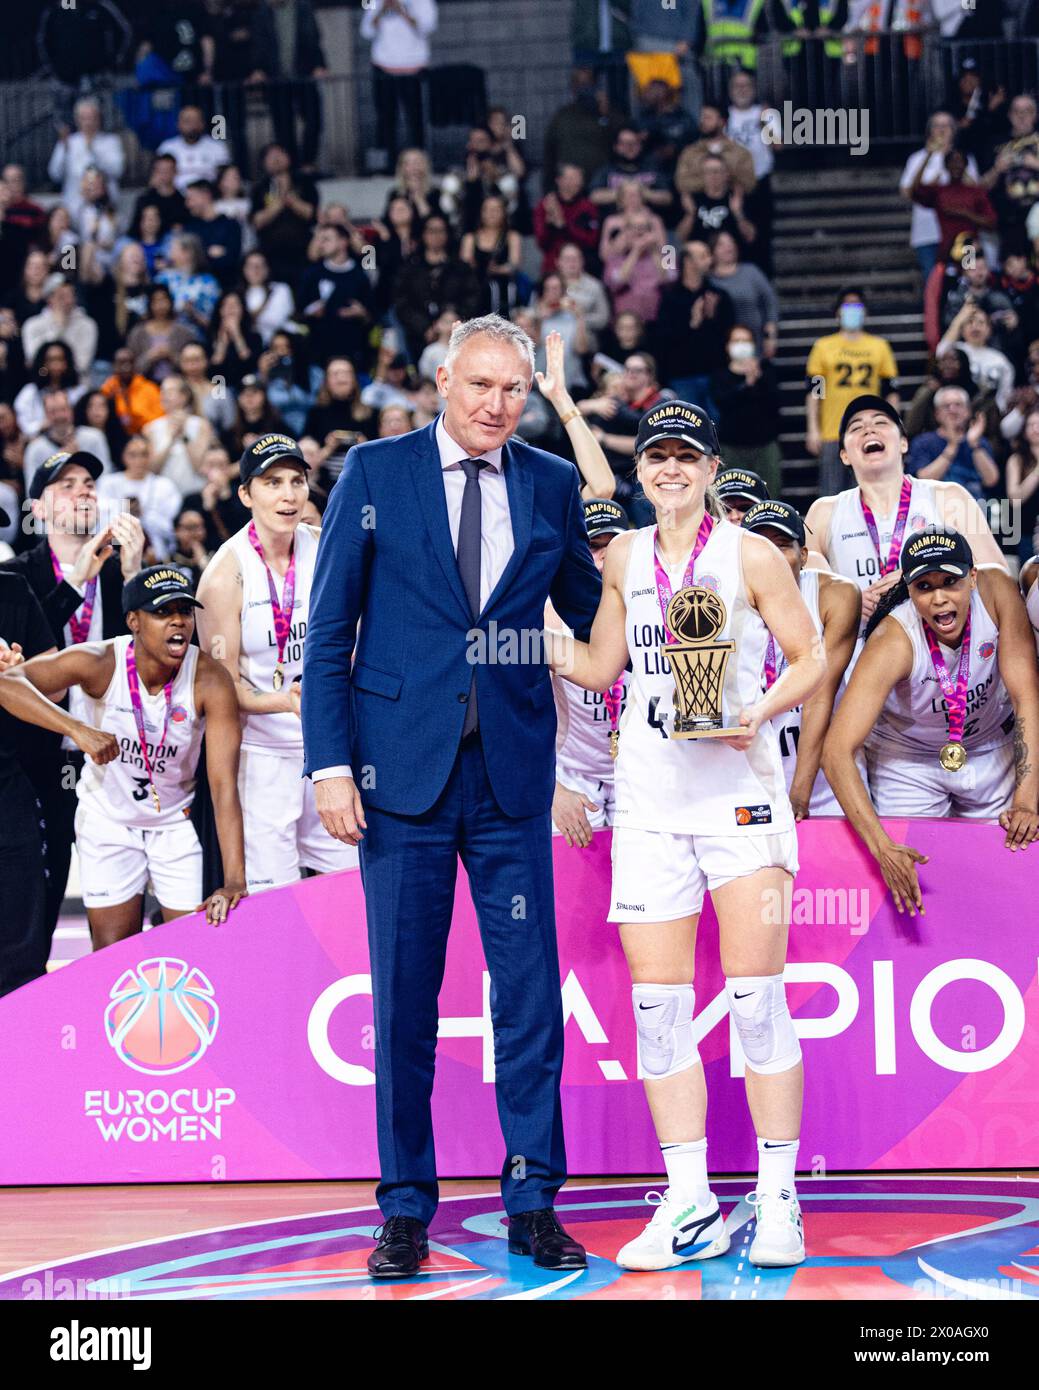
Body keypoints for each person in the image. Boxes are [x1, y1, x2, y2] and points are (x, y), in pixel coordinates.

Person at [302, 313, 602, 1278]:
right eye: (479, 385)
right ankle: (402, 1210)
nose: (495, 405)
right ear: (441, 380)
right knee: (402, 1003)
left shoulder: (551, 484)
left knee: (528, 1001)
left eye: (513, 389)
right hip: (398, 780)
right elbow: (328, 631)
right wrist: (330, 764)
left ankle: (532, 1200)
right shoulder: (375, 474)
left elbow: (598, 612)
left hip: (511, 778)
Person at [545, 399, 826, 1271]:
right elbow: (599, 666)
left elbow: (812, 656)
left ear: (710, 470)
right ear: (642, 472)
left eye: (685, 457)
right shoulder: (623, 554)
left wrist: (756, 711)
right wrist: (519, 639)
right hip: (648, 805)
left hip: (738, 799)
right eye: (657, 457)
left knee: (755, 1001)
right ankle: (690, 1200)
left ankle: (777, 1196)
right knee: (657, 1016)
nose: (670, 469)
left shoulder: (747, 554)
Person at [0, 566, 246, 946]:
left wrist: (234, 880)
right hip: (108, 820)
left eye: (184, 610)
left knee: (195, 949)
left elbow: (222, 784)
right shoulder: (99, 662)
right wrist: (77, 729)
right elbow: (6, 685)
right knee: (113, 953)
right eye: (163, 612)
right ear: (133, 621)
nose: (178, 621)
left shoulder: (210, 680)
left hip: (174, 822)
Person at [823, 529, 1039, 916]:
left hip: (990, 747)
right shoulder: (892, 639)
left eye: (950, 582)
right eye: (924, 586)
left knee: (1005, 867)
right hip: (907, 761)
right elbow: (838, 751)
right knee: (915, 875)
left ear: (972, 576)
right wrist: (882, 847)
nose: (939, 598)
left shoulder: (998, 593)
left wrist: (1026, 800)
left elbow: (1026, 697)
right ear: (909, 590)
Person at [197, 434, 357, 895]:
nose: (288, 495)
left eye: (296, 481)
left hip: (328, 747)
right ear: (246, 493)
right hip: (264, 757)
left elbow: (354, 635)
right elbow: (221, 691)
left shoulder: (322, 545)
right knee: (274, 899)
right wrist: (283, 702)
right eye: (272, 483)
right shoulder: (225, 574)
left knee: (347, 888)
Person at [0, 450, 144, 945]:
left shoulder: (120, 573)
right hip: (42, 759)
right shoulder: (17, 576)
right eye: (66, 485)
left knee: (129, 904)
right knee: (36, 901)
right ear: (37, 508)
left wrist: (135, 575)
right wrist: (74, 583)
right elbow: (22, 666)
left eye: (88, 483)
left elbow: (159, 657)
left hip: (118, 755)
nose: (83, 490)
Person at [0, 554, 111, 996]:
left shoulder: (12, 590)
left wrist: (17, 671)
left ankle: (22, 1027)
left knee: (24, 922)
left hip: (9, 772)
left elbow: (51, 680)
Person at [805, 396, 1007, 632]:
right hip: (858, 650)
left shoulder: (949, 496)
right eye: (856, 427)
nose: (869, 429)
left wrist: (919, 578)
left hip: (940, 643)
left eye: (880, 423)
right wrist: (846, 602)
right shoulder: (824, 511)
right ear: (844, 456)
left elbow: (998, 579)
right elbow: (804, 594)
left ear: (903, 444)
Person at [742, 500, 862, 818]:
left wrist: (799, 791)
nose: (772, 557)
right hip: (747, 776)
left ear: (804, 556)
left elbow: (818, 696)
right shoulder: (723, 602)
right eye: (762, 546)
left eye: (782, 545)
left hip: (820, 781)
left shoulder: (835, 597)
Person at [549, 497, 629, 845]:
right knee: (570, 892)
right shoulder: (549, 617)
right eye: (591, 547)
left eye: (612, 546)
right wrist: (550, 790)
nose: (602, 557)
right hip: (574, 777)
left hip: (641, 776)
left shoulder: (655, 607)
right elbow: (511, 713)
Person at [805, 289, 900, 497]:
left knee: (869, 490)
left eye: (857, 306)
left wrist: (893, 425)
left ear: (865, 312)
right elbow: (815, 391)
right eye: (847, 306)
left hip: (868, 429)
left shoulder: (879, 346)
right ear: (837, 313)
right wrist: (813, 428)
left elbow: (890, 391)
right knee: (831, 493)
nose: (852, 311)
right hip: (833, 430)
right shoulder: (824, 347)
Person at [900, 113, 982, 280]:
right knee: (933, 282)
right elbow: (907, 192)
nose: (942, 130)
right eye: (937, 126)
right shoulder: (917, 158)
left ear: (954, 131)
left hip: (964, 233)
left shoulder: (966, 158)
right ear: (929, 131)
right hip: (927, 232)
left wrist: (958, 164)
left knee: (969, 277)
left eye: (946, 126)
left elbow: (976, 191)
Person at [360, 0, 439, 164]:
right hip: (383, 66)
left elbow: (428, 26)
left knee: (416, 119)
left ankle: (420, 162)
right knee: (385, 119)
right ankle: (385, 165)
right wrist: (382, 10)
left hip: (414, 67)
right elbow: (365, 30)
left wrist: (401, 10)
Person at [711, 325, 783, 492]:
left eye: (746, 341)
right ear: (728, 346)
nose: (741, 345)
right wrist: (747, 384)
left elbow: (775, 403)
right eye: (736, 341)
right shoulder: (720, 375)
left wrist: (758, 379)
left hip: (764, 445)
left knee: (770, 493)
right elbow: (722, 402)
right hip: (732, 446)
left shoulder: (766, 371)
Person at [907, 385, 998, 502]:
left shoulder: (979, 442)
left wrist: (974, 444)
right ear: (937, 414)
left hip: (975, 508)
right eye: (946, 406)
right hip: (936, 508)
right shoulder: (923, 442)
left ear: (968, 411)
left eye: (958, 405)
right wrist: (952, 446)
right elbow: (923, 480)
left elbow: (991, 480)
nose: (952, 410)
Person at [98, 436, 181, 561]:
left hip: (156, 553)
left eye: (144, 454)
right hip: (114, 552)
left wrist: (144, 515)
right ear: (124, 456)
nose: (139, 460)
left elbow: (171, 527)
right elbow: (100, 520)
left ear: (151, 455)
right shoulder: (108, 483)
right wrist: (123, 511)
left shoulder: (164, 485)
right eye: (133, 455)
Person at [23, 390, 112, 496]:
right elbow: (32, 492)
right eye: (53, 412)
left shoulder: (94, 437)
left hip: (92, 501)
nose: (60, 416)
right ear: (46, 415)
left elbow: (105, 479)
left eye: (63, 409)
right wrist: (59, 463)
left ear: (71, 411)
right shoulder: (35, 449)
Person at [47, 97, 125, 211]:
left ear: (99, 119)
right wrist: (64, 150)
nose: (88, 122)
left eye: (92, 118)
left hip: (104, 208)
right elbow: (55, 174)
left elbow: (118, 171)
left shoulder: (111, 141)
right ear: (77, 120)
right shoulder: (69, 141)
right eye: (84, 118)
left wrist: (93, 149)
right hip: (74, 207)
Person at [21, 275, 99, 380]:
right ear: (49, 299)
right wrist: (57, 327)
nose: (68, 301)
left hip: (77, 383)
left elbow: (82, 364)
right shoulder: (32, 325)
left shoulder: (87, 325)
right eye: (61, 296)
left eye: (70, 295)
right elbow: (35, 361)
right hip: (42, 383)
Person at [533, 164, 601, 275]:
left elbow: (591, 241)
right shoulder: (545, 206)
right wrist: (550, 224)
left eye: (579, 178)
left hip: (583, 266)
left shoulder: (588, 207)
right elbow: (541, 242)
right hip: (552, 267)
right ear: (559, 180)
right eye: (572, 178)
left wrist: (564, 225)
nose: (577, 182)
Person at [158, 105, 231, 194]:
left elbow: (227, 179)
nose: (192, 126)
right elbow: (157, 179)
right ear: (178, 124)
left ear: (202, 123)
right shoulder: (167, 147)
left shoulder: (217, 147)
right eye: (187, 121)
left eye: (196, 121)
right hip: (174, 199)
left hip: (209, 198)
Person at [100, 346, 164, 438]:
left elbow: (159, 419)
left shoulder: (150, 389)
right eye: (121, 363)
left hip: (146, 435)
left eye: (130, 362)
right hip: (116, 437)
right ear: (114, 366)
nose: (126, 367)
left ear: (136, 365)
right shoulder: (107, 389)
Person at [1007, 407, 1039, 566]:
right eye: (1031, 424)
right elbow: (1015, 498)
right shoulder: (1017, 459)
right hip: (1026, 530)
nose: (1036, 429)